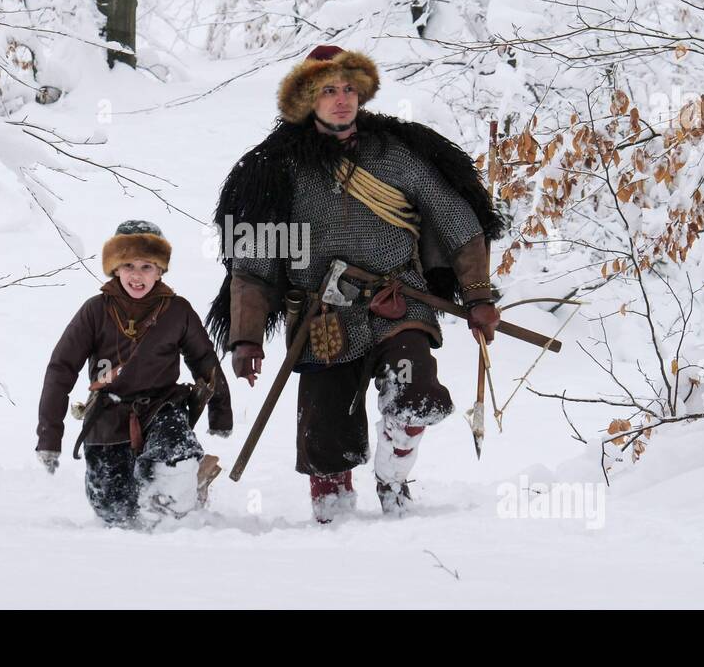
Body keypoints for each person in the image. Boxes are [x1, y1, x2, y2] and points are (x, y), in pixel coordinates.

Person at [206, 45, 505, 522]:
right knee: (326, 438)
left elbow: (458, 222)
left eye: (349, 89)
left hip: (398, 302)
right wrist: (245, 337)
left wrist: (478, 296)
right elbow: (254, 262)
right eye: (328, 90)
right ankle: (334, 518)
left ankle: (392, 477)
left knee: (416, 394)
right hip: (322, 319)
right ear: (307, 99)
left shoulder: (399, 153)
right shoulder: (274, 168)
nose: (342, 99)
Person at [37, 220, 232, 528]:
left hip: (161, 410)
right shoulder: (95, 311)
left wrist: (221, 415)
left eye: (146, 266)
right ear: (115, 268)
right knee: (116, 513)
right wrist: (49, 436)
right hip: (107, 417)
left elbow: (205, 362)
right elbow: (61, 368)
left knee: (176, 460)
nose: (136, 275)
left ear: (160, 271)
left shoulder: (178, 311)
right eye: (128, 265)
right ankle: (164, 494)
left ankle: (180, 497)